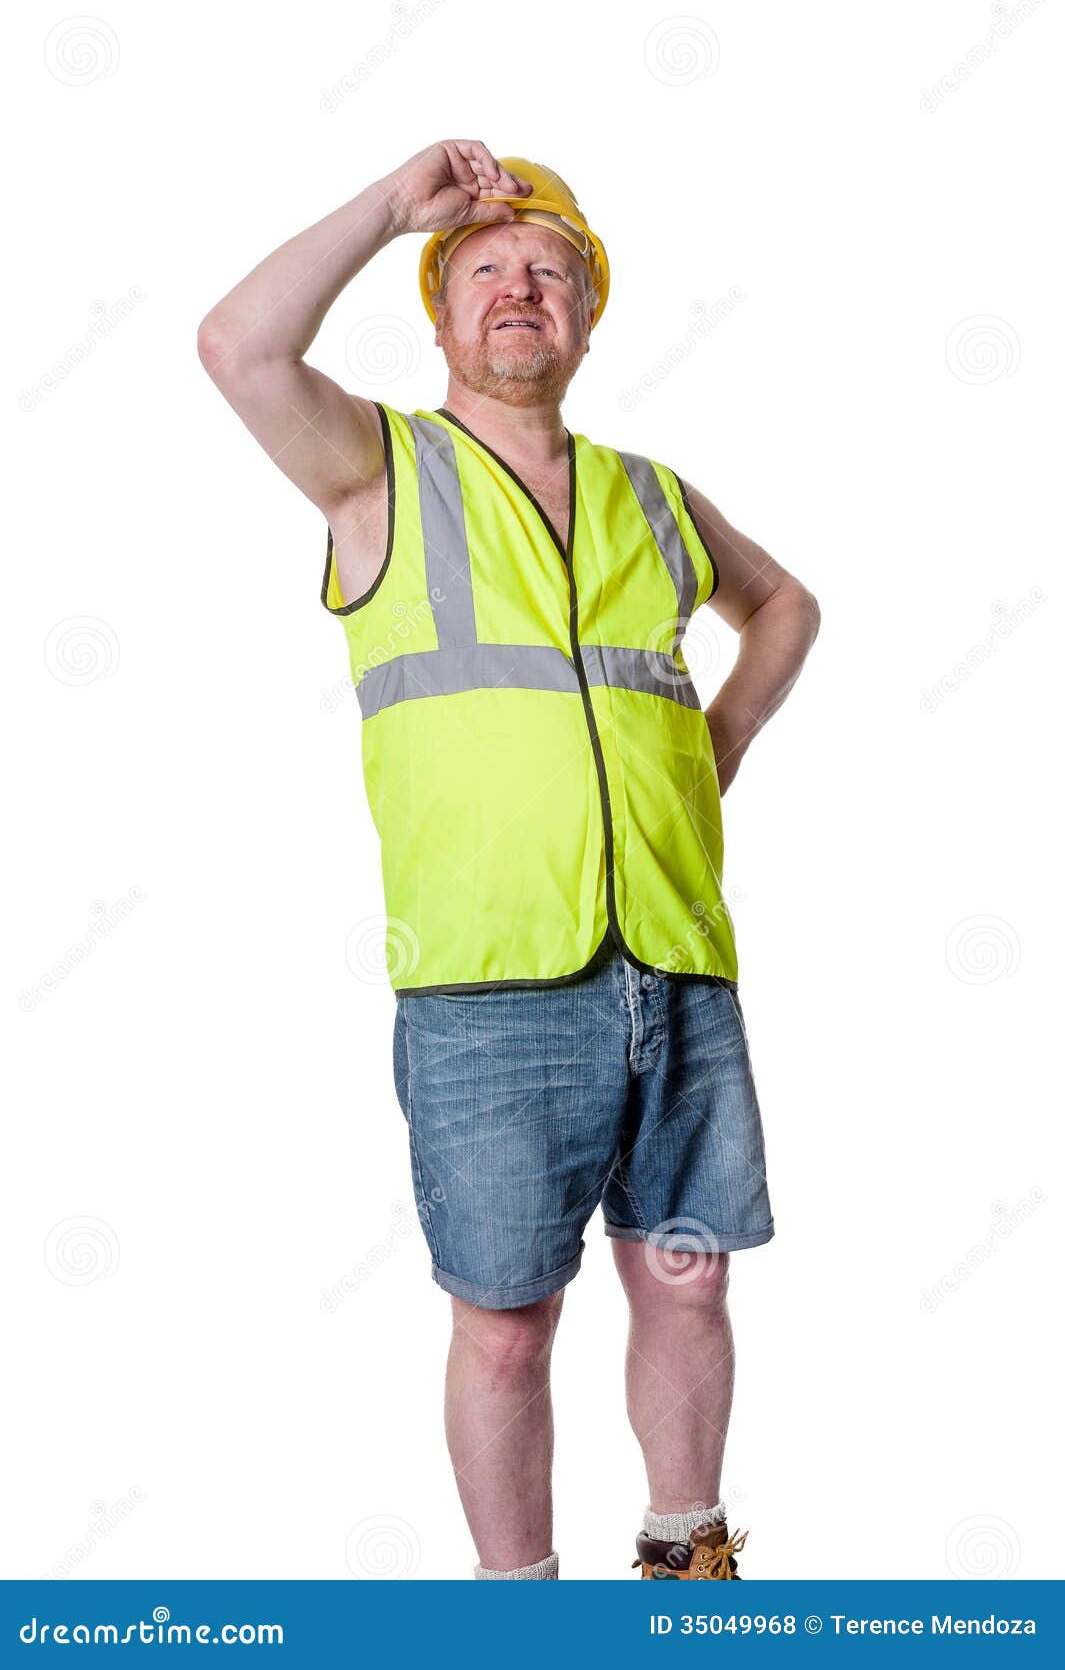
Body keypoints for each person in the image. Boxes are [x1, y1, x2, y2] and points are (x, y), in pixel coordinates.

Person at [197, 139, 820, 1581]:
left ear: (589, 309)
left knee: (687, 1275)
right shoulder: (379, 471)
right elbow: (235, 345)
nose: (519, 288)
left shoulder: (648, 496)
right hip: (489, 982)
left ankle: (685, 1556)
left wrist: (718, 738)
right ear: (440, 315)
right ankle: (518, 1608)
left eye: (550, 268)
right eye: (485, 270)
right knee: (504, 1317)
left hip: (672, 959)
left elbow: (783, 603)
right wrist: (389, 204)